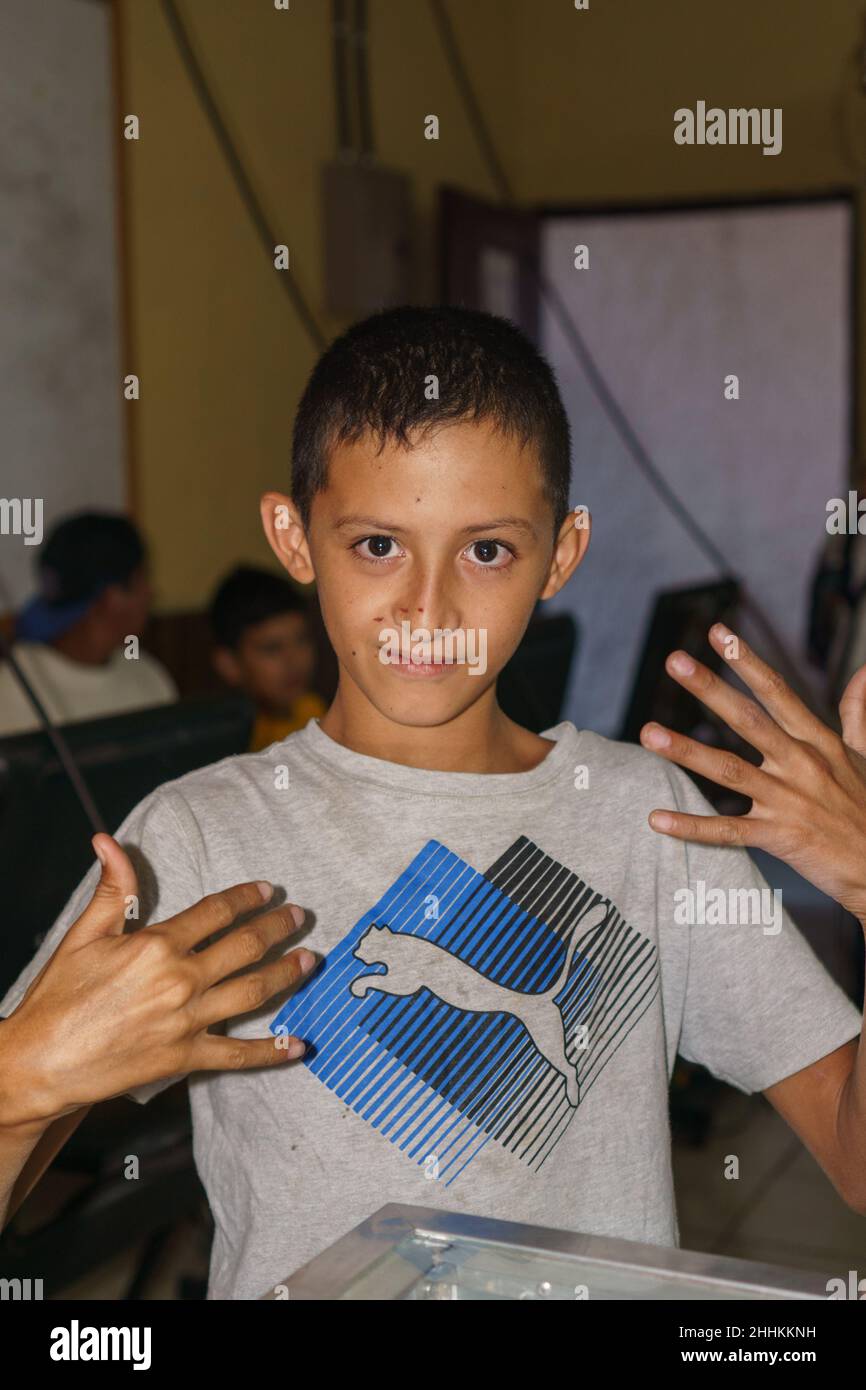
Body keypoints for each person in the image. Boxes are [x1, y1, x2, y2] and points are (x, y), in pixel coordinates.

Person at [1, 307, 866, 1302]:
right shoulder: (196, 837)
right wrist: (19, 1085)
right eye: (376, 544)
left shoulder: (648, 817)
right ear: (293, 536)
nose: (427, 610)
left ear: (561, 552)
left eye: (486, 552)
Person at [0, 511, 176, 735]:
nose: (151, 593)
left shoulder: (148, 676)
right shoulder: (16, 689)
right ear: (111, 598)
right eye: (143, 578)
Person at [208, 565, 326, 752]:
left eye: (302, 640)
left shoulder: (311, 708)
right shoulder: (229, 739)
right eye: (272, 649)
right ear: (229, 664)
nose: (294, 660)